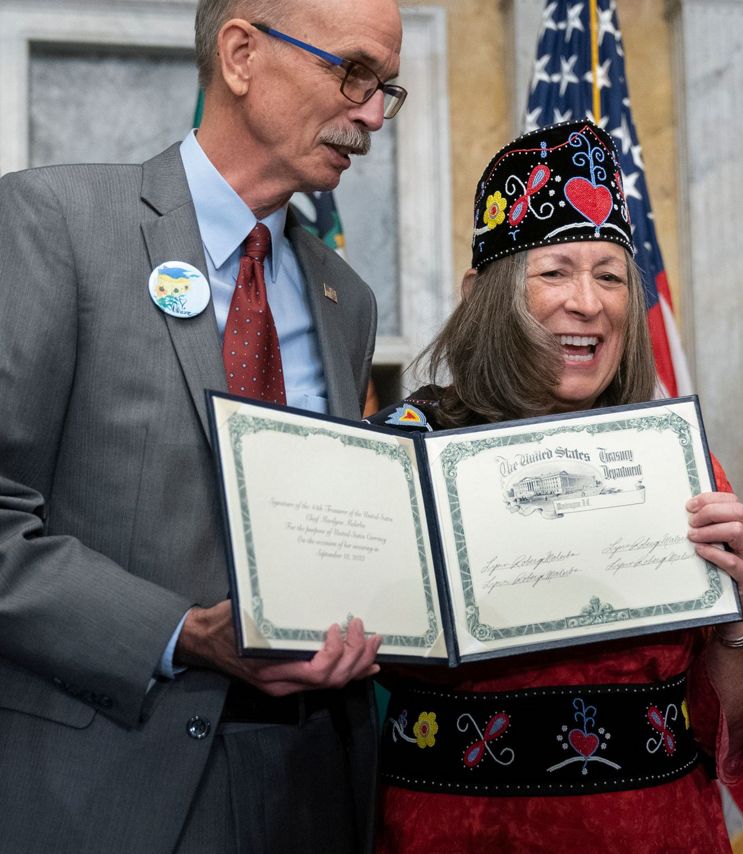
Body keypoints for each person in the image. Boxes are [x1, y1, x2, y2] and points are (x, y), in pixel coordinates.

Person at [0, 0, 405, 850]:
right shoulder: (53, 225)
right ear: (241, 55)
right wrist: (182, 634)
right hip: (107, 790)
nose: (372, 112)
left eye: (385, 88)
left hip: (314, 790)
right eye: (354, 73)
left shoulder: (347, 300)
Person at [368, 120, 743, 852]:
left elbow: (731, 734)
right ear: (483, 297)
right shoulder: (407, 453)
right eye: (555, 271)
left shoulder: (676, 463)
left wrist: (737, 610)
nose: (588, 303)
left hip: (662, 834)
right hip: (453, 835)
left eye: (611, 276)